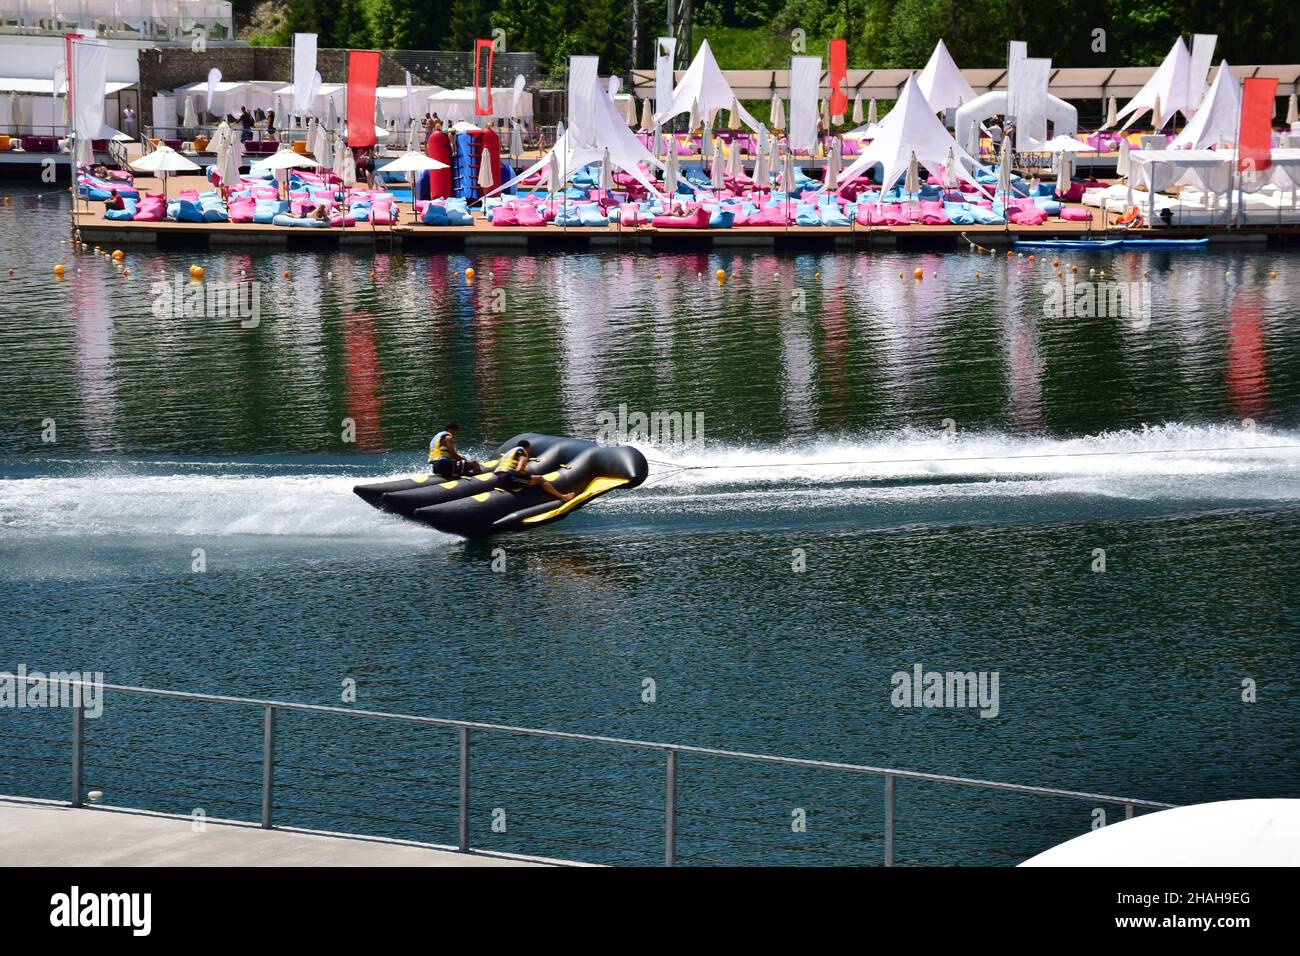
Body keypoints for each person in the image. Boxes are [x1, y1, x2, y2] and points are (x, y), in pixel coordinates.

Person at [494, 439, 572, 501]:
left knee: (530, 477)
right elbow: (519, 469)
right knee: (540, 479)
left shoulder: (510, 452)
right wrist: (527, 474)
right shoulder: (522, 453)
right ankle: (563, 496)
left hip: (500, 478)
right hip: (510, 478)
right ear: (527, 448)